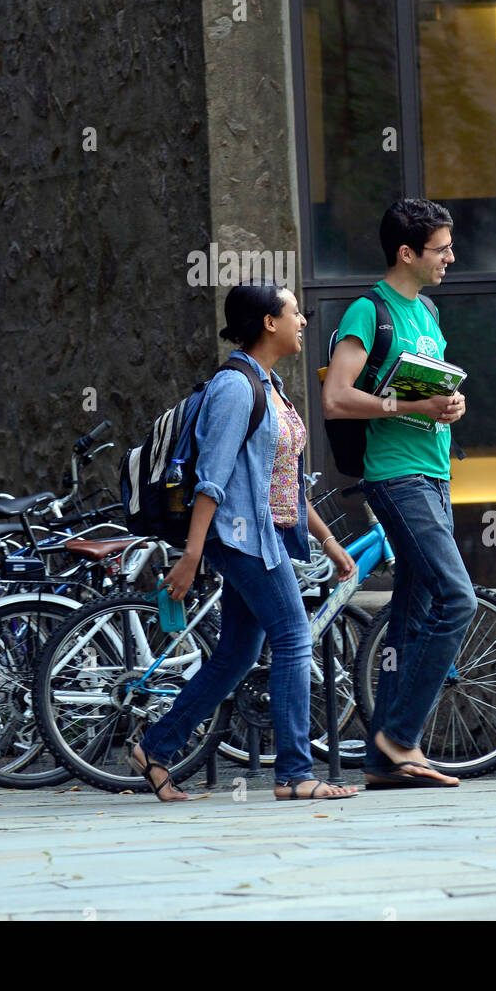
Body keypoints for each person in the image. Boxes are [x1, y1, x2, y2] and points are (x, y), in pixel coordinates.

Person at [128, 283, 360, 802]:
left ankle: (157, 746)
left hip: (268, 536)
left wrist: (325, 541)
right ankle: (295, 773)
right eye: (294, 312)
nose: (303, 320)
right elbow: (211, 479)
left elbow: (284, 484)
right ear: (268, 323)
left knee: (236, 654)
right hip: (242, 539)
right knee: (294, 639)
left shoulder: (270, 384)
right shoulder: (235, 387)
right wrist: (192, 555)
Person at [320, 199, 476, 790]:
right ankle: (401, 736)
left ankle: (385, 762)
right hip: (395, 475)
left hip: (434, 471)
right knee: (456, 598)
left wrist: (449, 405)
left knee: (414, 611)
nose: (451, 258)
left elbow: (427, 390)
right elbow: (336, 396)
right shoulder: (369, 311)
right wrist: (411, 405)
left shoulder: (428, 311)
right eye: (441, 249)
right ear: (407, 253)